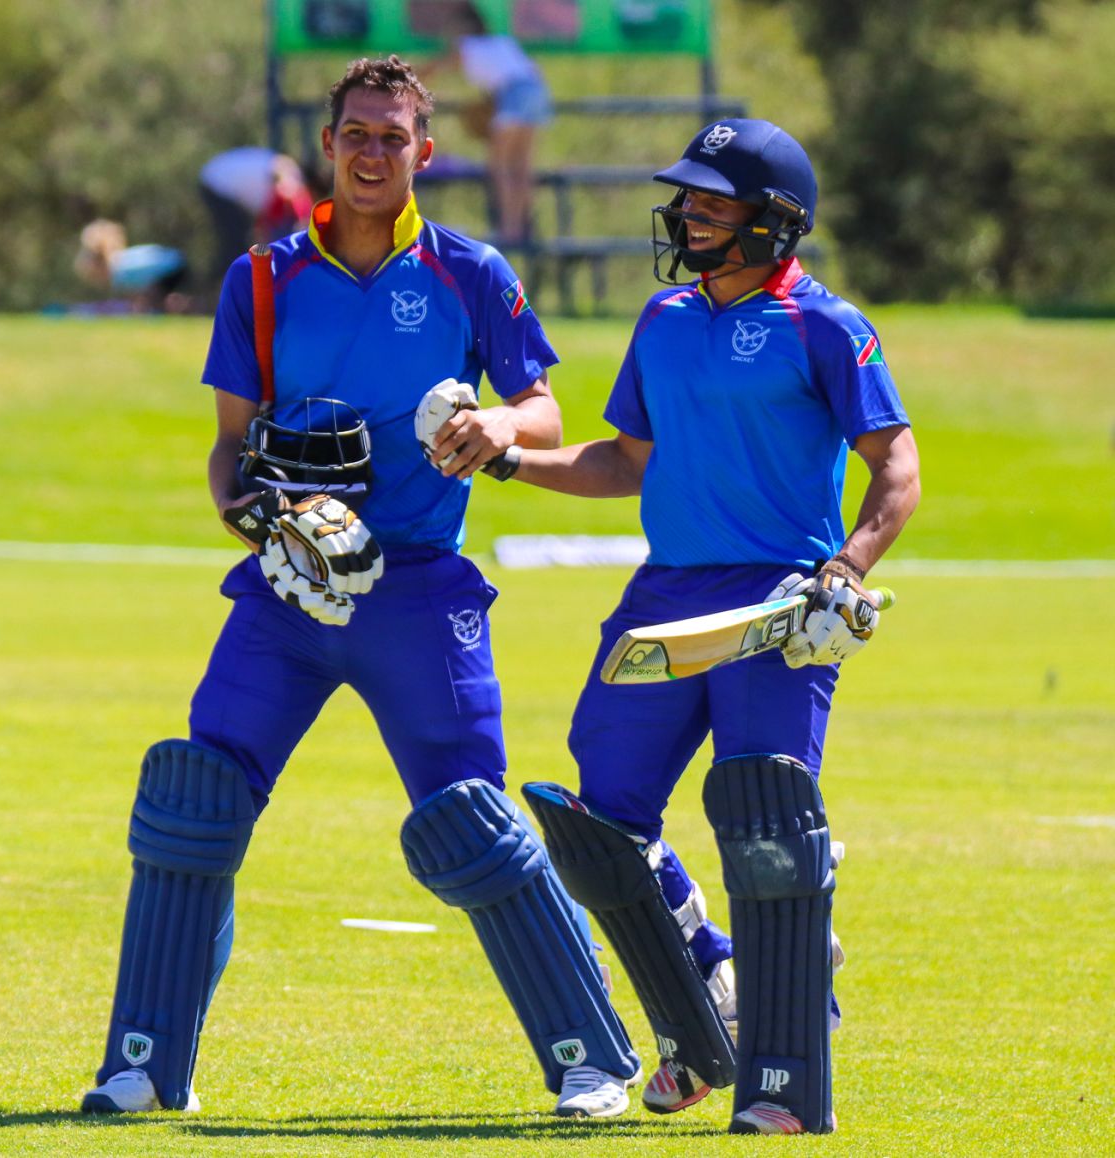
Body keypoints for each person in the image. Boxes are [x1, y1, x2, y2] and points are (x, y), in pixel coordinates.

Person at [80, 55, 641, 1120]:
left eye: (394, 135)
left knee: (472, 821)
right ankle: (146, 1064)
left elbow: (548, 416)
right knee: (192, 805)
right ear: (328, 145)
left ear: (426, 151)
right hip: (286, 594)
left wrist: (496, 427)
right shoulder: (260, 278)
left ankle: (592, 1058)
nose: (373, 151)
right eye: (356, 133)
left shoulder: (473, 272)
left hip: (421, 593)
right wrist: (253, 517)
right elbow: (227, 452)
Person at [435, 118, 920, 1135]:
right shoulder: (662, 320)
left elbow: (897, 469)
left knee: (766, 819)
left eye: (711, 200)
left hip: (778, 602)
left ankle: (788, 1056)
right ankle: (707, 1000)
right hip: (667, 593)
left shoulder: (828, 327)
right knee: (603, 821)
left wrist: (846, 567)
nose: (688, 213)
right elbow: (624, 461)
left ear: (773, 221)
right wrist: (510, 462)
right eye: (687, 198)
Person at [422, 2, 552, 245]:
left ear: (464, 26)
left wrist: (403, 77)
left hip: (513, 93)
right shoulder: (501, 42)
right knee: (521, 165)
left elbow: (432, 69)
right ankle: (524, 226)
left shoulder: (467, 45)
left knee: (500, 164)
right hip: (536, 90)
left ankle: (509, 229)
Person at [198, 148, 316, 296]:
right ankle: (221, 293)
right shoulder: (292, 181)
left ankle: (223, 291)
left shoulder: (284, 173)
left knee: (237, 243)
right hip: (218, 183)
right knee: (234, 243)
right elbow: (290, 203)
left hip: (216, 177)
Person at [73, 219, 190, 314]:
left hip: (172, 267)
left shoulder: (118, 273)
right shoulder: (119, 260)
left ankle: (188, 309)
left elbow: (139, 294)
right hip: (174, 261)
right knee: (158, 299)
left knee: (160, 301)